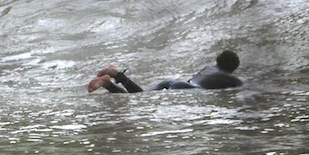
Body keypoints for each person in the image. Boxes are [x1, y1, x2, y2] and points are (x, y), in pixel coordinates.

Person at [87, 50, 242, 93]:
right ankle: (115, 74)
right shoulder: (231, 79)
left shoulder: (208, 68)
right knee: (140, 98)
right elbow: (242, 88)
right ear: (233, 68)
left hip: (174, 81)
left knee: (140, 96)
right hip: (186, 88)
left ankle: (108, 84)